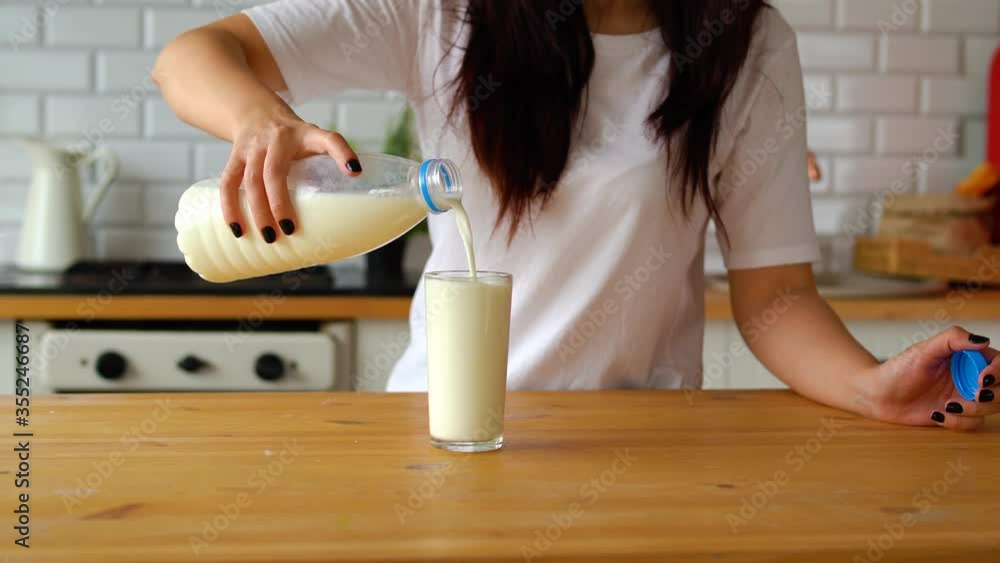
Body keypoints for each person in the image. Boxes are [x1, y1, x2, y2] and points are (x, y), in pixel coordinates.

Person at [154, 0, 997, 430]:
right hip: (440, 428)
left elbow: (776, 295)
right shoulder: (442, 15)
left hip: (644, 448)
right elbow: (191, 56)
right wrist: (257, 117)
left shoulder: (745, 40)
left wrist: (868, 387)